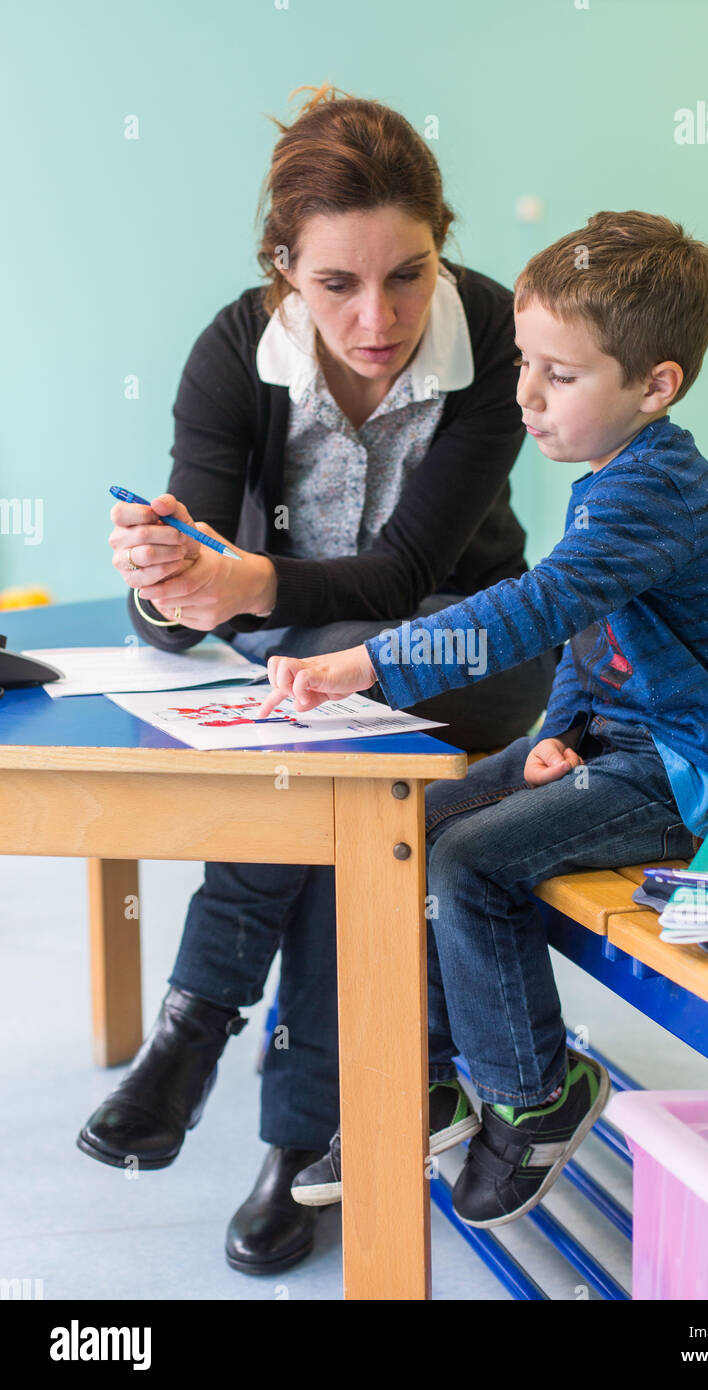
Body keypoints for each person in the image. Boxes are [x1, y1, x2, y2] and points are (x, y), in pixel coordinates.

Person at [76, 85, 558, 1272]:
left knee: (334, 768)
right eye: (336, 283)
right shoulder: (235, 346)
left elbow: (402, 575)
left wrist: (240, 593)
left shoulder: (494, 332)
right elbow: (186, 586)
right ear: (283, 266)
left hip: (463, 649)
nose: (378, 316)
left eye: (408, 274)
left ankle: (197, 1037)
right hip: (298, 674)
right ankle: (300, 1139)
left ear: (442, 244)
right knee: (334, 811)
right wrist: (161, 574)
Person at [256, 210, 708, 1227]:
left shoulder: (653, 491)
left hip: (691, 774)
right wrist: (557, 730)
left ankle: (539, 1097)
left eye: (560, 375)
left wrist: (369, 661)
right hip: (617, 747)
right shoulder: (606, 477)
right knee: (412, 825)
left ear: (655, 385)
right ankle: (437, 1074)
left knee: (469, 864)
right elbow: (593, 639)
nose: (526, 398)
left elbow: (534, 608)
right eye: (524, 365)